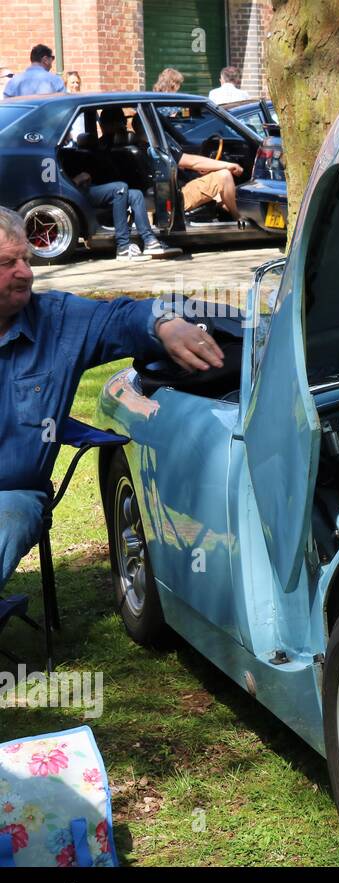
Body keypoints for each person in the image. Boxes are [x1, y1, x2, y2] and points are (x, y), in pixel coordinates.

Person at [0, 205, 221, 593]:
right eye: (7, 263)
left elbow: (122, 317)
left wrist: (163, 322)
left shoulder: (56, 321)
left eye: (26, 258)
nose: (25, 272)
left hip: (11, 497)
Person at [67, 106, 179, 259]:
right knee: (120, 187)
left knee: (136, 194)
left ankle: (149, 240)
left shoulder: (86, 148)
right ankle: (123, 246)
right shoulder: (63, 151)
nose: (70, 134)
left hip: (93, 188)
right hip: (78, 190)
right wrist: (78, 178)